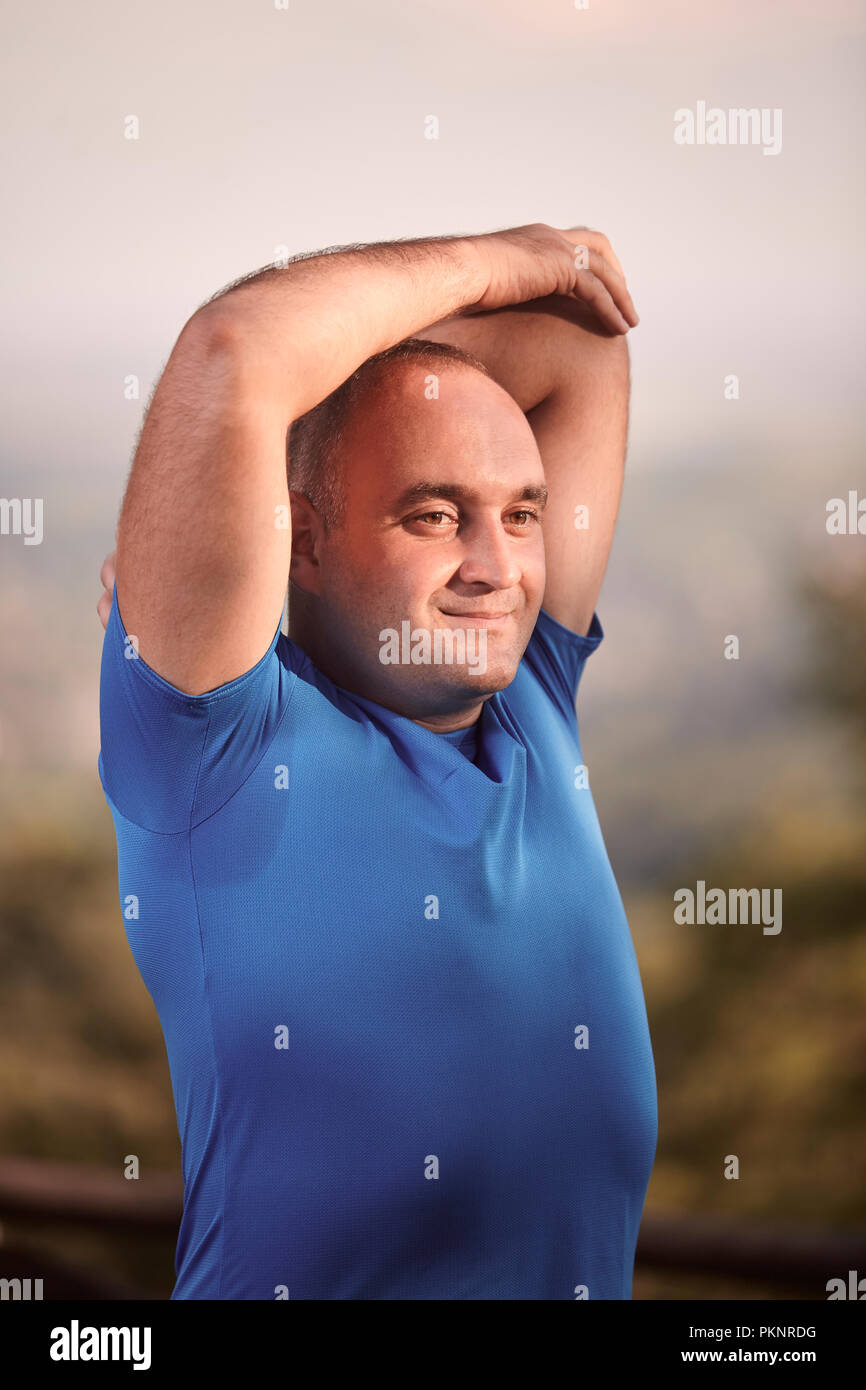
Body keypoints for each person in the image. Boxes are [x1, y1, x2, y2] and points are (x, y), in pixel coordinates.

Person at [96, 223, 657, 1300]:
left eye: (522, 514)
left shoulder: (531, 697)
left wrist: (343, 405)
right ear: (298, 536)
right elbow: (234, 353)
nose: (495, 568)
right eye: (433, 515)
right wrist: (494, 260)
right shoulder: (215, 751)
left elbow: (583, 345)